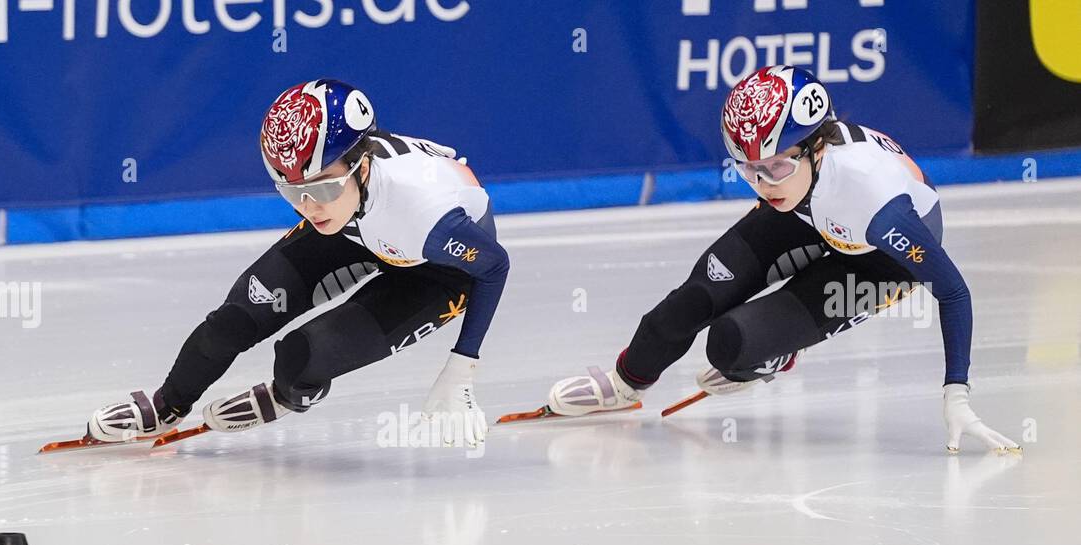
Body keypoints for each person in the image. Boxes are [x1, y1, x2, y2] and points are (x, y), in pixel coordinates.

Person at [546, 65, 1020, 454]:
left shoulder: (878, 203)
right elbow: (777, 188)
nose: (763, 183)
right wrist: (781, 178)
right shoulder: (785, 185)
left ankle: (774, 354)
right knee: (691, 303)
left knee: (730, 345)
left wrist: (956, 393)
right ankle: (625, 384)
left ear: (818, 146)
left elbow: (953, 290)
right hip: (805, 211)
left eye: (775, 166)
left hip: (878, 261)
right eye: (748, 169)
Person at [86, 78, 508, 449]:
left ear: (361, 166)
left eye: (320, 190)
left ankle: (287, 395)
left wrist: (461, 368)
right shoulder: (333, 196)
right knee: (233, 322)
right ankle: (168, 403)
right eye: (292, 193)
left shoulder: (424, 211)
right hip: (357, 225)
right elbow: (322, 200)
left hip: (436, 269)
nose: (308, 207)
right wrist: (326, 194)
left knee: (299, 359)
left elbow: (493, 266)